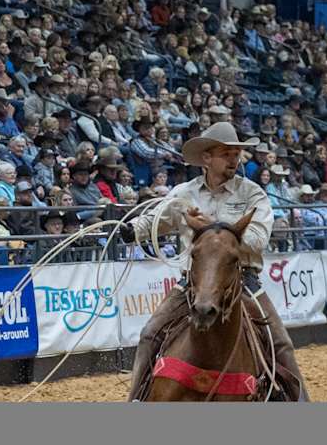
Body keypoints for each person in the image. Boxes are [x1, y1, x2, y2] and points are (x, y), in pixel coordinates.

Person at [121, 122, 309, 401]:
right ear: (207, 158)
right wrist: (132, 229)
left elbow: (258, 239)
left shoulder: (252, 194)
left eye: (236, 154)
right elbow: (156, 220)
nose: (234, 160)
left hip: (242, 282)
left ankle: (300, 402)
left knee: (281, 344)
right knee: (149, 334)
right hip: (193, 282)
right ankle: (136, 400)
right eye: (226, 154)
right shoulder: (184, 193)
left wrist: (213, 227)